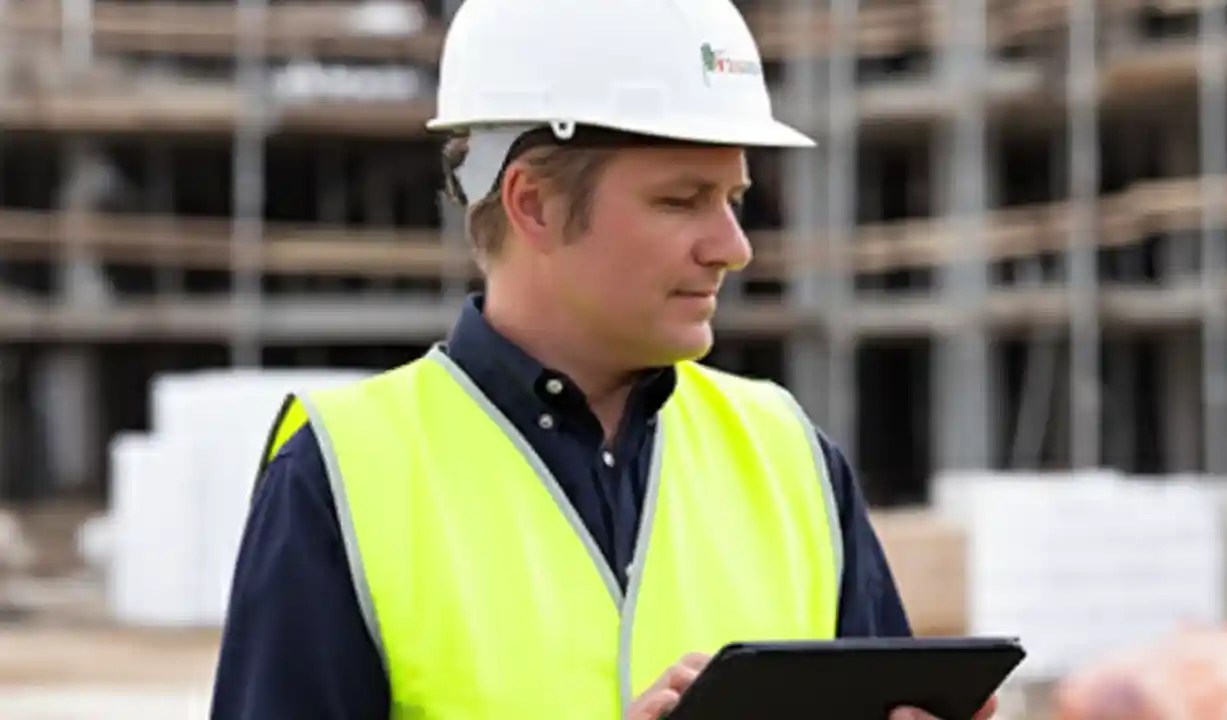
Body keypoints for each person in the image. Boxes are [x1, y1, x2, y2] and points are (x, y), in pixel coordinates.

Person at [211, 1, 1000, 719]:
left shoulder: (788, 454)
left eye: (734, 199)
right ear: (533, 204)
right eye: (681, 200)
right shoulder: (343, 475)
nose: (733, 247)